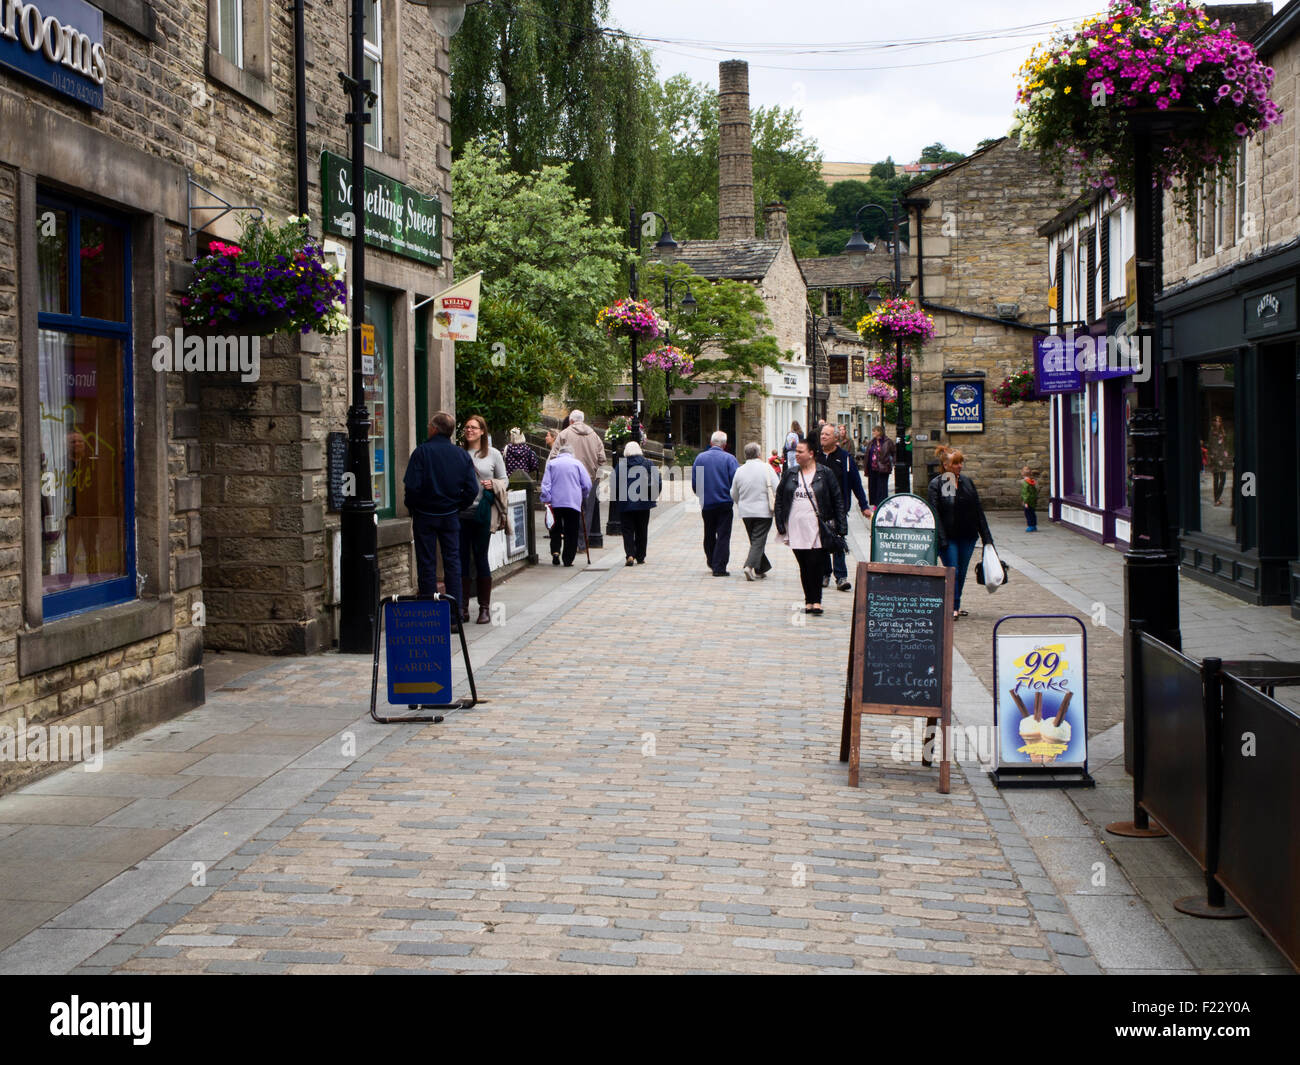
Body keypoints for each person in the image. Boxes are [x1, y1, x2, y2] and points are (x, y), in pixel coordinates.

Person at [403, 411, 480, 624]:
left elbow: (411, 487)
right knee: (452, 564)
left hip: (425, 515)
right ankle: (453, 615)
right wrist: (457, 506)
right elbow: (472, 489)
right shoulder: (461, 455)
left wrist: (414, 507)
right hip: (449, 515)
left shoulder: (422, 452)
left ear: (435, 429)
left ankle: (430, 614)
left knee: (426, 564)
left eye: (429, 425)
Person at [775, 436, 845, 616]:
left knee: (816, 563)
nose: (796, 454)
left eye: (800, 452)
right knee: (804, 565)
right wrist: (780, 523)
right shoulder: (790, 473)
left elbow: (837, 499)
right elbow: (780, 499)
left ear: (811, 454)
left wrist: (841, 527)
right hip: (795, 526)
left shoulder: (825, 473)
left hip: (817, 526)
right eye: (796, 451)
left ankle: (817, 601)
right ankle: (808, 601)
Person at [928, 445, 994, 620]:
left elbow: (978, 510)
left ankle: (955, 603)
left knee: (962, 572)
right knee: (953, 571)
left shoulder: (966, 482)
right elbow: (935, 514)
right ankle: (952, 607)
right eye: (955, 463)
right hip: (948, 537)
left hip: (967, 535)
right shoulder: (938, 484)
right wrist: (941, 539)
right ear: (945, 465)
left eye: (961, 462)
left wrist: (986, 537)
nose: (959, 466)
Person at [459, 414, 507, 624]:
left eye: (474, 428)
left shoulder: (493, 454)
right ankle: (462, 607)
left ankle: (484, 608)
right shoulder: (458, 453)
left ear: (482, 431)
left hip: (483, 512)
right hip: (461, 513)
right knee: (461, 559)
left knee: (480, 557)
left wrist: (493, 483)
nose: (469, 431)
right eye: (467, 427)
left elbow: (505, 479)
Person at [818, 423, 870, 592]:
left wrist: (863, 505)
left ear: (835, 438)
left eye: (827, 434)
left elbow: (855, 482)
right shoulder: (816, 456)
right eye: (822, 434)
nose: (823, 437)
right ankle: (824, 573)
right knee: (821, 540)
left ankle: (841, 577)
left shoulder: (845, 457)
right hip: (818, 506)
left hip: (839, 506)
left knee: (838, 538)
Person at [549, 410, 605, 551]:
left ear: (571, 421)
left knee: (569, 513)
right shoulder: (594, 435)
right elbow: (602, 459)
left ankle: (570, 544)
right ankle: (582, 543)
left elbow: (553, 458)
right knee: (586, 513)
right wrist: (595, 474)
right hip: (590, 480)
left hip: (568, 481)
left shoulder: (564, 434)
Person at [691, 430, 740, 576]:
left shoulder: (700, 458)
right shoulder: (730, 459)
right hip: (724, 503)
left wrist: (701, 495)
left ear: (711, 443)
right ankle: (719, 566)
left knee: (709, 533)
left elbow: (696, 483)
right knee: (723, 535)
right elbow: (735, 482)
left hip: (707, 503)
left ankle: (712, 560)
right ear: (724, 445)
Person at [731, 442, 781, 580]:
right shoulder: (767, 468)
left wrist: (740, 503)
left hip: (746, 511)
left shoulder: (740, 470)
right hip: (764, 510)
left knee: (755, 540)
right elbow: (777, 488)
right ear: (759, 454)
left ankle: (761, 568)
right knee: (758, 540)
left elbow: (734, 493)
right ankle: (749, 566)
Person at [540, 444, 591, 566]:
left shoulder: (552, 464)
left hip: (555, 502)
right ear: (571, 453)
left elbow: (546, 484)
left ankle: (555, 551)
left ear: (559, 453)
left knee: (555, 528)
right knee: (571, 531)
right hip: (573, 502)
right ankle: (568, 559)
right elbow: (587, 484)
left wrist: (546, 499)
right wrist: (583, 494)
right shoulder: (577, 464)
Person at [611, 440, 660, 566]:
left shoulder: (621, 465)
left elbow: (614, 484)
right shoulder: (648, 463)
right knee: (642, 530)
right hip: (643, 503)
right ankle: (641, 556)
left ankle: (630, 554)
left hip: (625, 503)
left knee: (627, 530)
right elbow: (658, 482)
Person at [864, 424, 895, 510]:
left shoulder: (887, 442)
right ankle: (875, 504)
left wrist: (892, 462)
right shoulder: (872, 442)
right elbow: (868, 453)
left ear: (879, 432)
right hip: (872, 468)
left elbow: (894, 452)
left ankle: (881, 504)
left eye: (874, 431)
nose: (873, 432)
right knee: (873, 486)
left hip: (883, 468)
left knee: (882, 487)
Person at [1207, 414, 1231, 507]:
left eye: (1219, 421)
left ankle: (1217, 497)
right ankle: (1216, 499)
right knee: (1216, 479)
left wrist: (1226, 453)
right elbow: (1211, 447)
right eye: (1216, 421)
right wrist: (1216, 459)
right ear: (1213, 422)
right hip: (1216, 458)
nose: (1217, 422)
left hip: (1222, 457)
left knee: (1223, 478)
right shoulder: (1212, 432)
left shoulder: (1222, 431)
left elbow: (1224, 445)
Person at [1021, 465, 1039, 532]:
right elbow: (1035, 492)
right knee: (1032, 513)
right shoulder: (1032, 481)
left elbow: (1025, 493)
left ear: (1022, 473)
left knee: (1028, 514)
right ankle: (1034, 525)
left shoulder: (1025, 483)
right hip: (1033, 500)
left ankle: (1030, 526)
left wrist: (1025, 502)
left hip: (1028, 501)